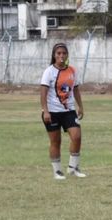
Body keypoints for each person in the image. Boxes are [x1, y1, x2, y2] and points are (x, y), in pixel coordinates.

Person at [40, 43, 85, 179]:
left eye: (64, 53)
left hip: (69, 111)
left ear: (67, 55)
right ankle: (57, 171)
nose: (61, 56)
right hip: (52, 112)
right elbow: (43, 93)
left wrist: (80, 106)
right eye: (58, 53)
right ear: (54, 55)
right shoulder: (49, 71)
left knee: (76, 137)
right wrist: (46, 111)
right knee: (56, 141)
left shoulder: (72, 70)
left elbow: (75, 89)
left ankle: (73, 168)